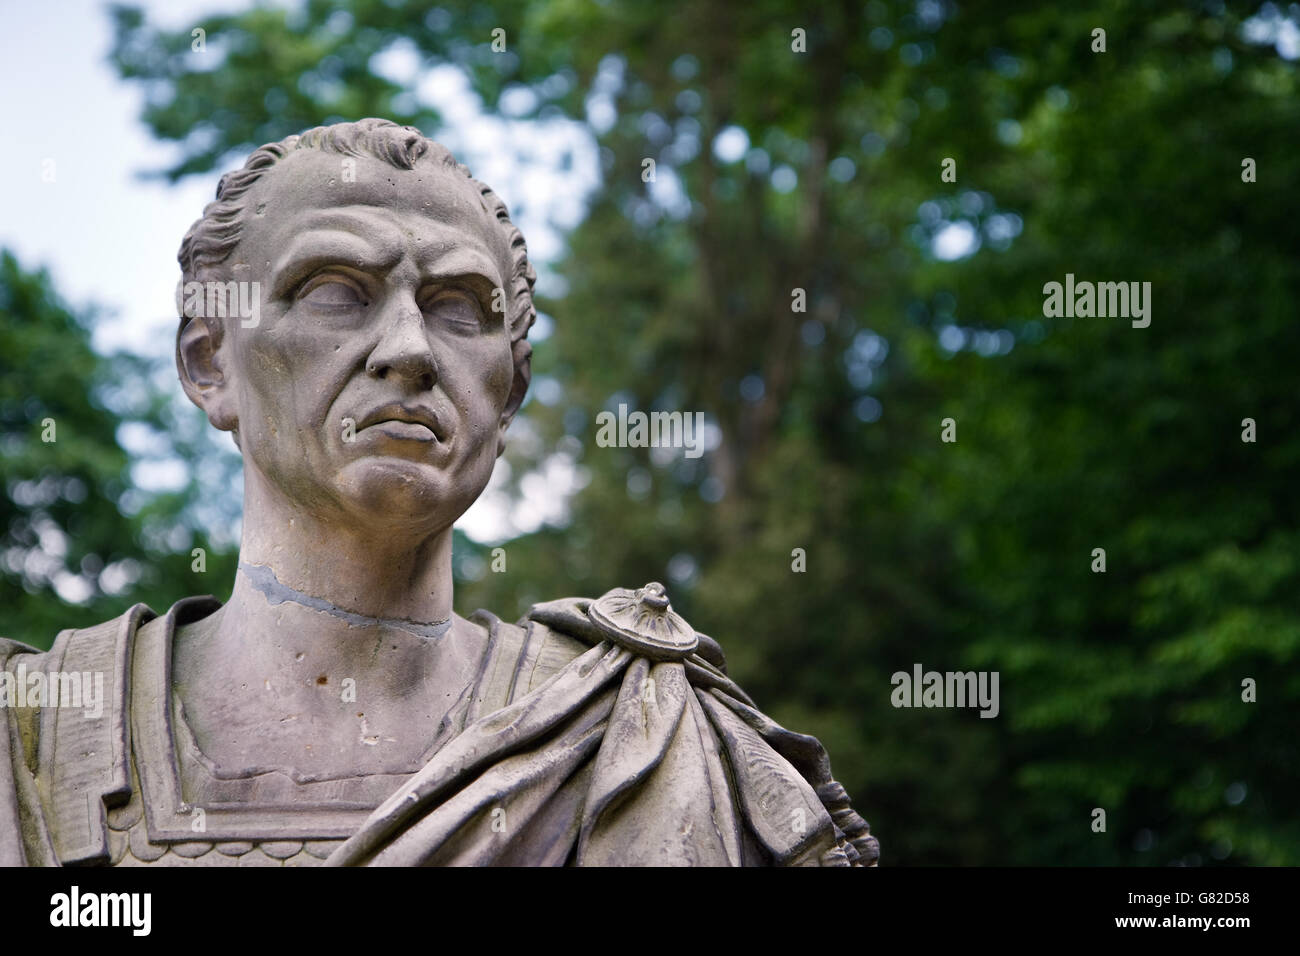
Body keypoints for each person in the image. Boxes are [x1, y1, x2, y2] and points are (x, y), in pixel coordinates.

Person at [0, 119, 877, 867]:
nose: (410, 349)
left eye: (462, 307)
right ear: (207, 364)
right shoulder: (31, 744)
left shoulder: (638, 736)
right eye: (336, 293)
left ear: (509, 393)